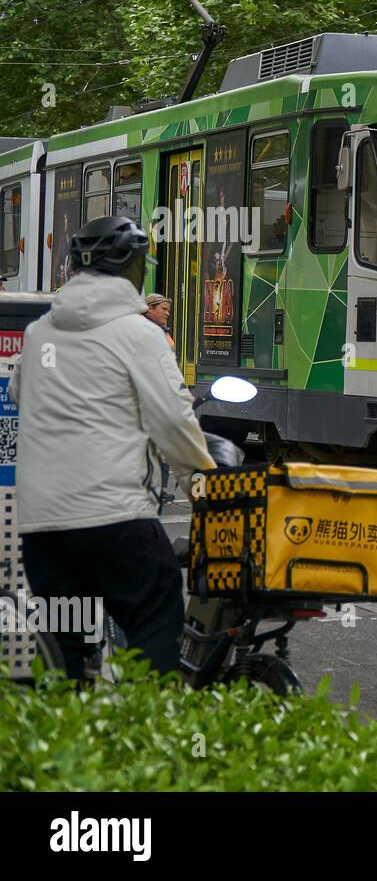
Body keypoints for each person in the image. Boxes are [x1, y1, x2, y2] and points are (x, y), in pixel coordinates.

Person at [13, 215, 215, 680]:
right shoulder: (139, 335)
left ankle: (69, 735)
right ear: (130, 267)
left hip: (43, 525)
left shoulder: (39, 334)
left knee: (67, 646)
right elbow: (173, 420)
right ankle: (143, 732)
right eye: (143, 261)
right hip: (113, 517)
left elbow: (21, 395)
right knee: (156, 608)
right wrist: (203, 487)